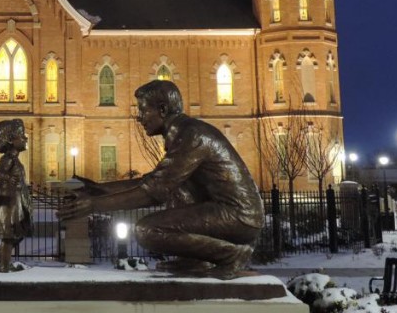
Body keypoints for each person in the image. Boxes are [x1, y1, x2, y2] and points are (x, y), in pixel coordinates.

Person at [59, 80, 264, 279]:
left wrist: (94, 205)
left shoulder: (191, 135)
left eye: (143, 110)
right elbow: (150, 182)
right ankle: (195, 260)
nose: (140, 118)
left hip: (239, 215)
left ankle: (231, 255)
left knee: (147, 230)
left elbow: (154, 192)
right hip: (226, 210)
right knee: (178, 188)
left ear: (163, 110)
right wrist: (98, 189)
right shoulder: (184, 132)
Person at [0, 119, 33, 272]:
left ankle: (0, 256)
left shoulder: (15, 159)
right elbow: (0, 172)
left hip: (17, 199)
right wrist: (8, 178)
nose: (25, 138)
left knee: (19, 232)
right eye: (22, 136)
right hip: (10, 201)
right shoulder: (9, 158)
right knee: (9, 235)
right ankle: (4, 267)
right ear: (12, 140)